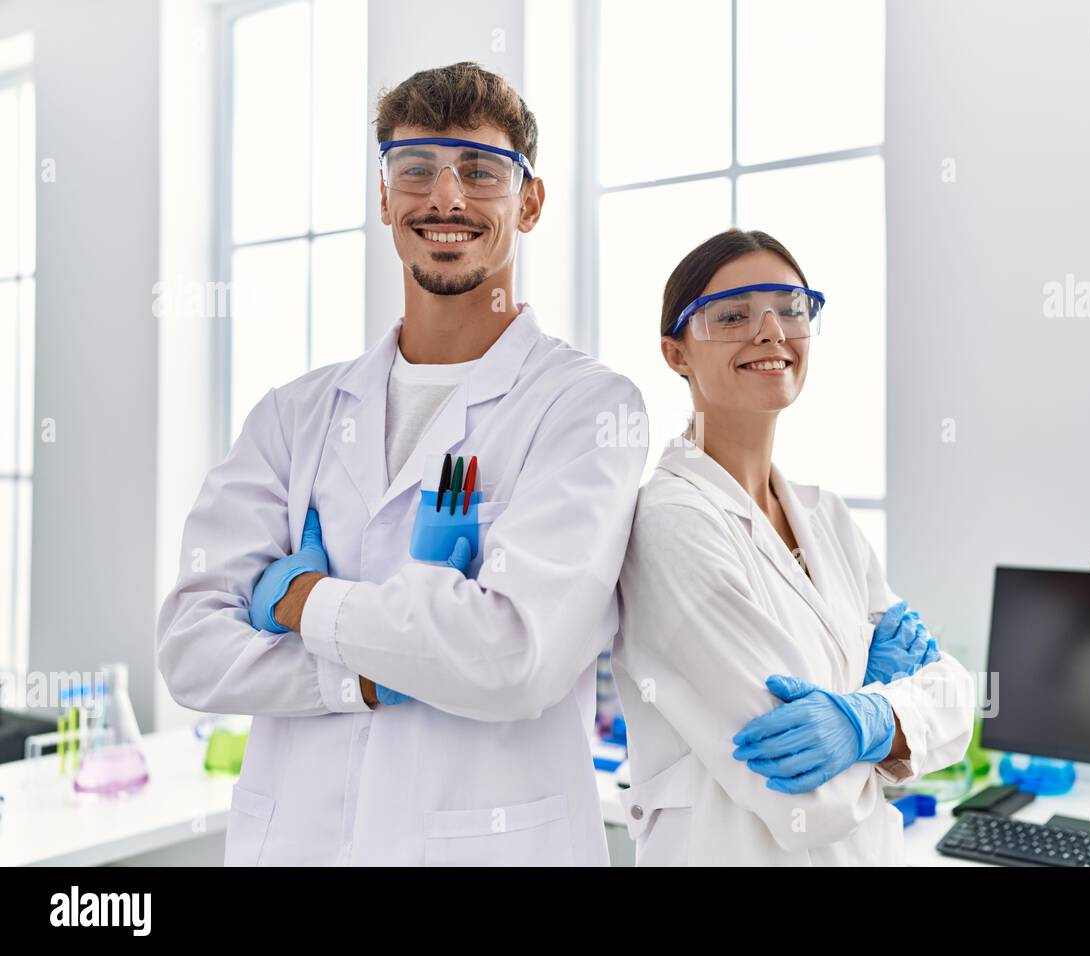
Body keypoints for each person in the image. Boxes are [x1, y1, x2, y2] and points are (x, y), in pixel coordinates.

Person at [157, 62, 647, 866]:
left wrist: (300, 600)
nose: (445, 199)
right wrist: (375, 677)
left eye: (480, 171)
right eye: (414, 169)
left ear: (529, 201)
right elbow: (189, 647)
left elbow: (515, 658)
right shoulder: (294, 414)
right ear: (383, 197)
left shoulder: (589, 408)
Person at [613, 228, 976, 865]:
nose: (772, 331)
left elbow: (957, 697)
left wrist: (867, 715)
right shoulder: (673, 524)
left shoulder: (825, 516)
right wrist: (894, 719)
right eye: (732, 316)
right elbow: (809, 802)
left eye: (790, 308)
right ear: (676, 354)